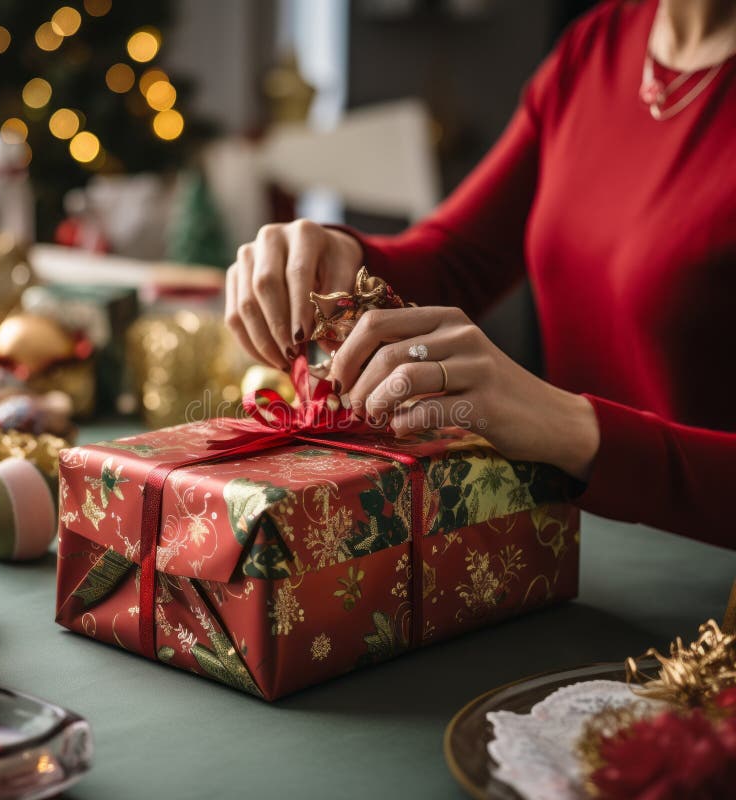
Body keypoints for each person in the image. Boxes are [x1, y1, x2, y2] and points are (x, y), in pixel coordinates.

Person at [225, 0, 736, 547]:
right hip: (563, 547)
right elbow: (458, 261)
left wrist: (570, 428)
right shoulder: (598, 44)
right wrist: (337, 256)